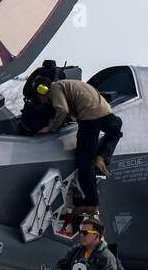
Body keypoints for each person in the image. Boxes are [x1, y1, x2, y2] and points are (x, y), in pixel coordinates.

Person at [35, 77, 122, 213]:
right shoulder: (69, 83)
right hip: (107, 113)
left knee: (84, 162)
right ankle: (102, 156)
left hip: (90, 120)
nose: (41, 100)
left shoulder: (54, 88)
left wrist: (51, 128)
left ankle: (91, 204)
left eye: (40, 97)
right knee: (116, 132)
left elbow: (62, 110)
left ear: (43, 90)